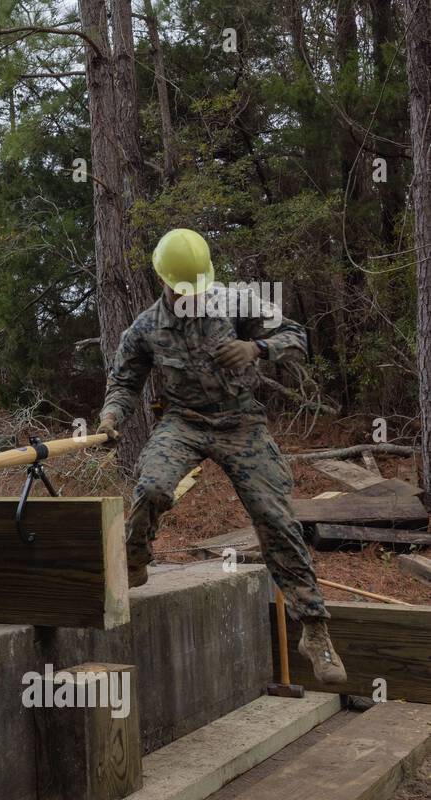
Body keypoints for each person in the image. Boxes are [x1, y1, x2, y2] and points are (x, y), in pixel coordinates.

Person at [97, 227, 346, 684]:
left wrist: (258, 347)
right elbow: (125, 383)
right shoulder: (145, 329)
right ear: (165, 283)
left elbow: (298, 337)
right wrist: (112, 416)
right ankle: (135, 561)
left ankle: (314, 629)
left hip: (240, 422)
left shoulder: (238, 303)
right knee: (151, 486)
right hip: (184, 422)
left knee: (275, 517)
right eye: (184, 290)